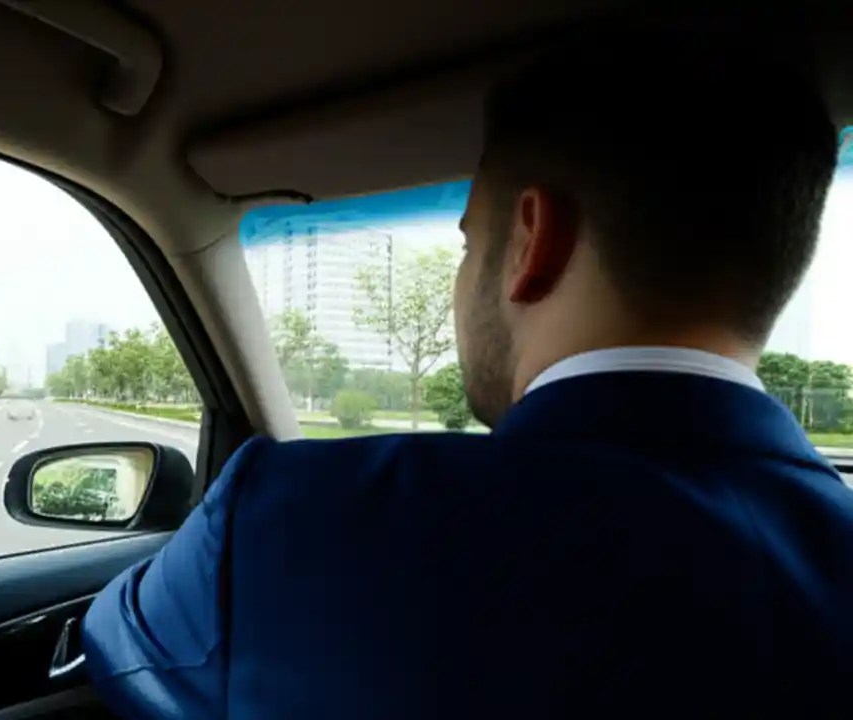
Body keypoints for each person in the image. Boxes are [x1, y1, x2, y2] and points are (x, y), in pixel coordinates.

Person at [81, 30, 853, 719]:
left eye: (464, 244)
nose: (461, 279)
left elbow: (117, 645)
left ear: (530, 243)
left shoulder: (298, 521)